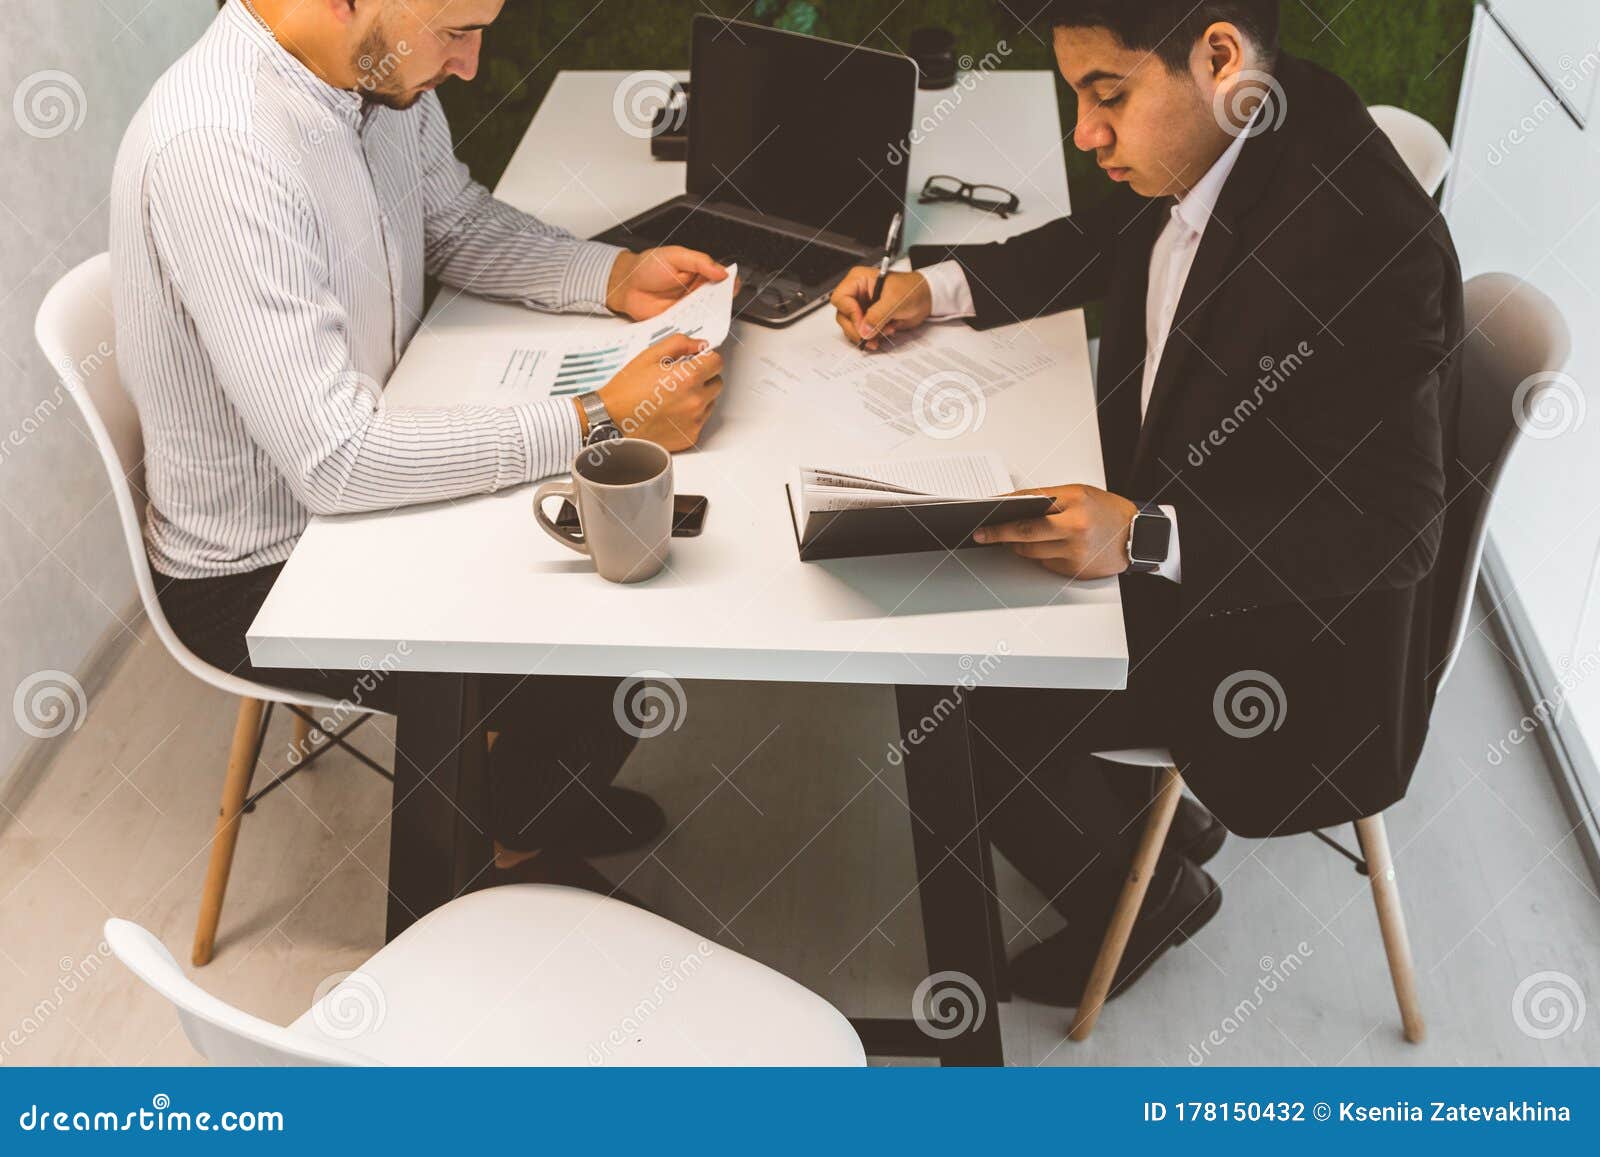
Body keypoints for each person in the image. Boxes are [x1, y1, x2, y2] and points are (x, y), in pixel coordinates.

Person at [830, 0, 1463, 1005]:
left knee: (952, 675)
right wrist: (937, 288)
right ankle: (1139, 814)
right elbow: (1111, 234)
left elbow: (1394, 529)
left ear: (1214, 54)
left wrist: (1143, 535)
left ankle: (1151, 890)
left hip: (1285, 636)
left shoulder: (1363, 245)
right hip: (1196, 517)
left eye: (1106, 95)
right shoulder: (1252, 119)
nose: (1084, 134)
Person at [111, 0, 729, 891]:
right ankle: (494, 855)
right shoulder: (221, 150)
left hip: (359, 463)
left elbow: (454, 223)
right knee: (606, 603)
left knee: (640, 554)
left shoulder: (377, 77)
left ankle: (525, 798)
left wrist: (614, 275)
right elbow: (338, 462)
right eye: (456, 32)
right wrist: (599, 421)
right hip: (263, 572)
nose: (473, 66)